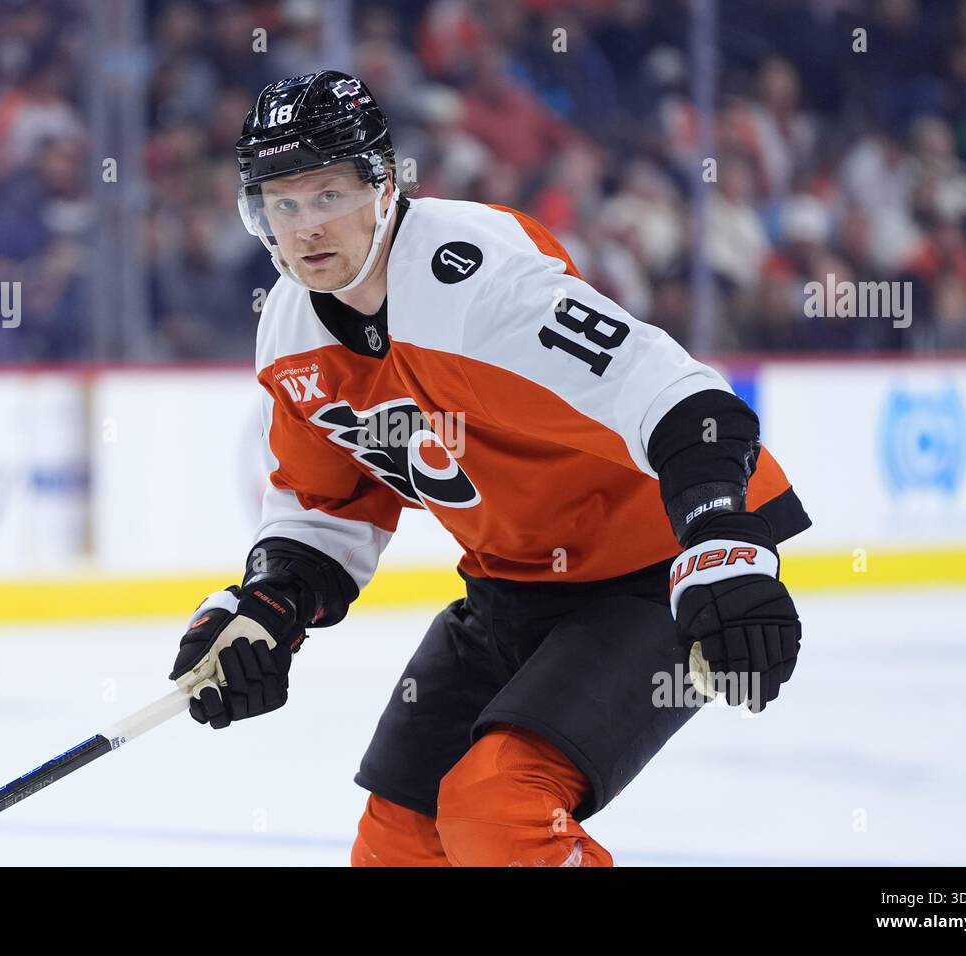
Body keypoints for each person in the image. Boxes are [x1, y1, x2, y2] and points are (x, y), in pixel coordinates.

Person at [168, 71, 811, 867]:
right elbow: (324, 511)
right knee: (401, 842)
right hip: (513, 586)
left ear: (382, 186)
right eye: (282, 205)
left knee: (497, 809)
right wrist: (264, 605)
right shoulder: (292, 329)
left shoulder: (473, 282)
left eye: (327, 195)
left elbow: (684, 401)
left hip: (656, 564)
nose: (305, 229)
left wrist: (722, 542)